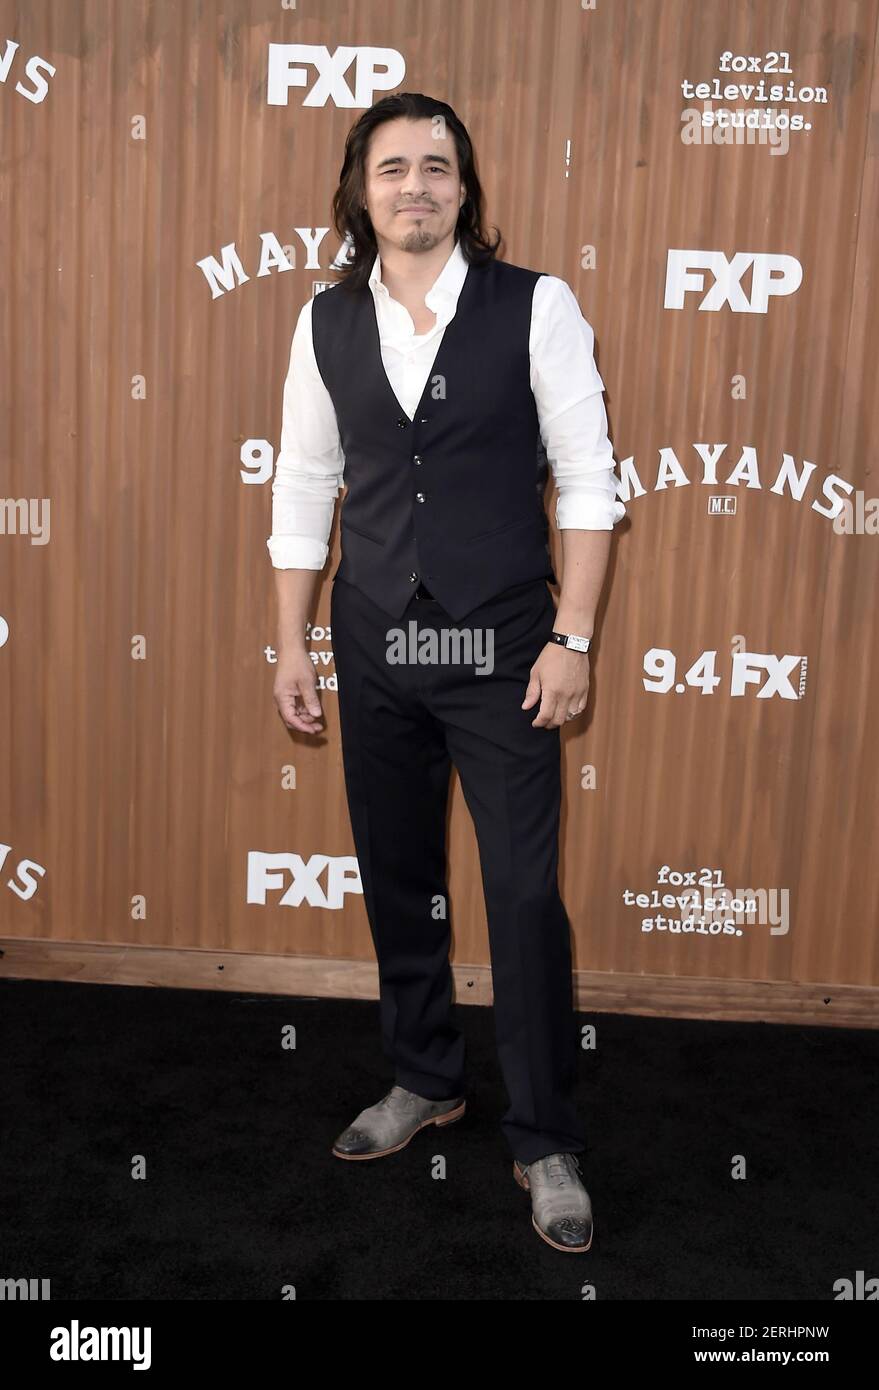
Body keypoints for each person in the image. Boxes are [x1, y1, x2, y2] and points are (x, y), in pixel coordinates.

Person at [268, 91, 625, 1253]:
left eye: (436, 166)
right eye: (392, 168)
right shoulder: (323, 321)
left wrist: (571, 638)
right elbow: (303, 492)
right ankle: (425, 1076)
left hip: (504, 648)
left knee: (523, 896)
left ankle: (543, 1137)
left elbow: (585, 478)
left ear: (464, 189)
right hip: (375, 640)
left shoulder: (536, 305)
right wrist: (294, 643)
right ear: (359, 190)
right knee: (399, 871)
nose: (414, 185)